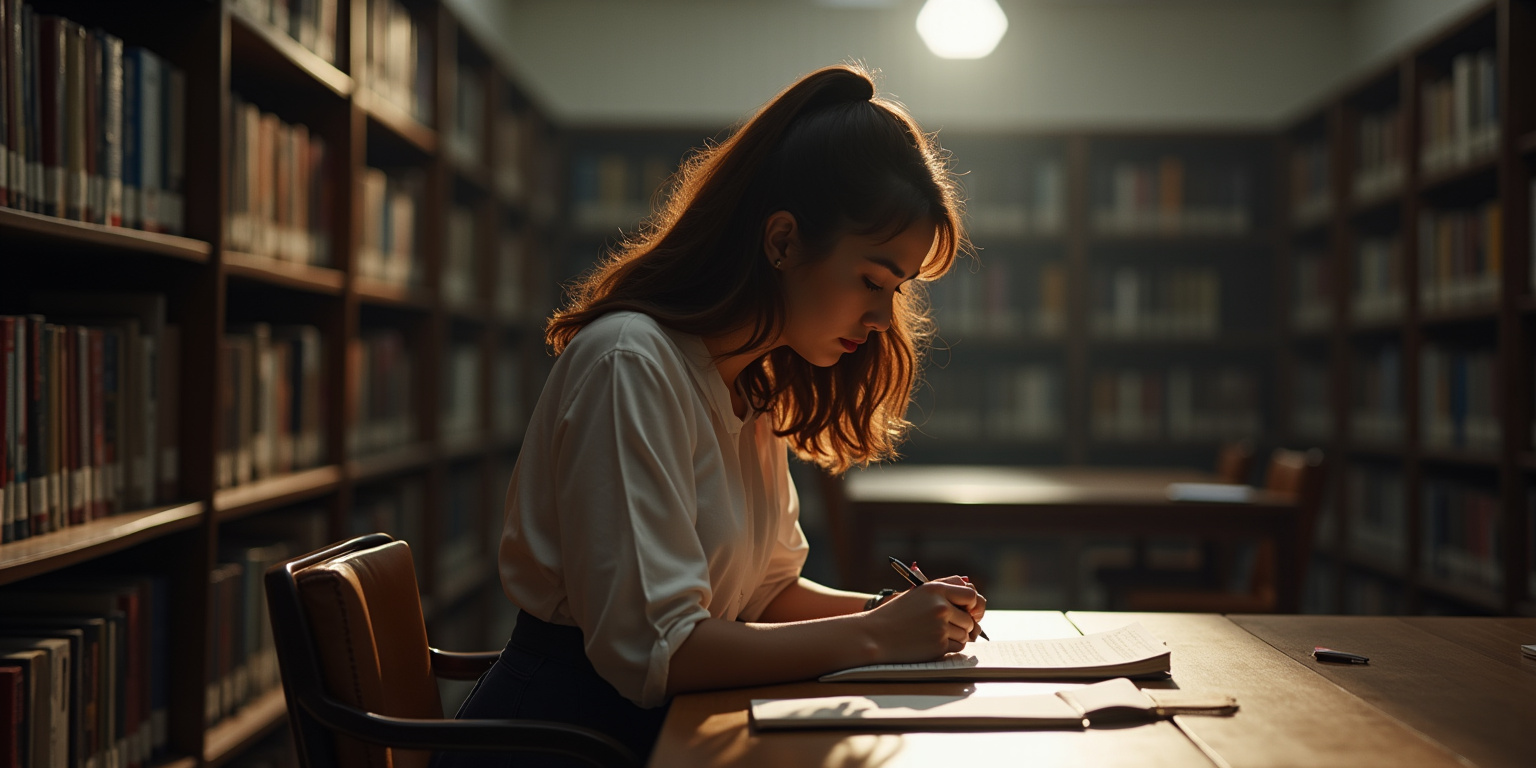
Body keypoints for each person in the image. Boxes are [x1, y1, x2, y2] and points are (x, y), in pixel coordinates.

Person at [437, 63, 984, 767]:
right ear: (782, 241)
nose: (883, 318)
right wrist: (880, 636)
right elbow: (660, 652)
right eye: (872, 281)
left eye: (897, 289)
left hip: (658, 731)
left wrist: (893, 611)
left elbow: (766, 593)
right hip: (564, 741)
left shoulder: (747, 384)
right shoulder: (629, 363)